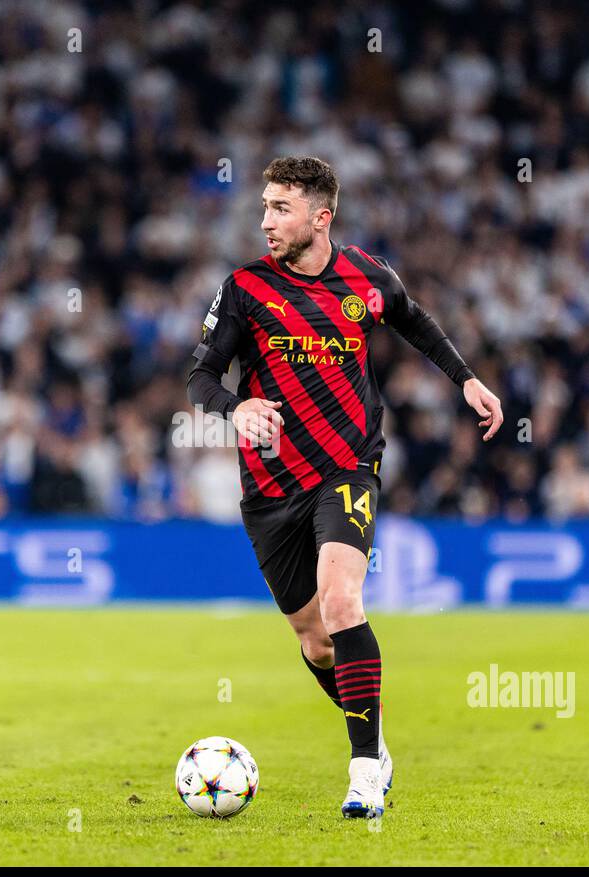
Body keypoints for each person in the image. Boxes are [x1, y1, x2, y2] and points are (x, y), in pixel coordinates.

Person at [186, 156, 503, 817]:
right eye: (265, 207)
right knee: (312, 636)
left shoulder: (366, 276)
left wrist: (466, 379)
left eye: (280, 208)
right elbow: (201, 376)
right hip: (271, 485)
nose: (266, 220)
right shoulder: (245, 288)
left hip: (348, 467)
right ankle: (377, 741)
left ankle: (362, 774)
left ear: (319, 217)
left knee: (340, 601)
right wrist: (233, 408)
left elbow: (413, 318)